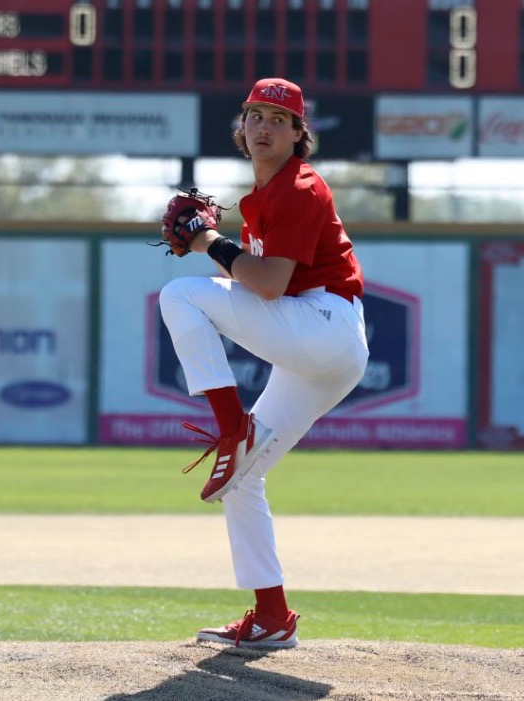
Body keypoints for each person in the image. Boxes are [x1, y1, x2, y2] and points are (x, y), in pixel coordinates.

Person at [157, 77, 369, 649]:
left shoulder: (298, 187)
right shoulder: (262, 198)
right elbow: (252, 282)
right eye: (256, 116)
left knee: (179, 295)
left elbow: (269, 286)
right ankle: (272, 616)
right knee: (243, 481)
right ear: (241, 127)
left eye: (280, 120)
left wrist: (206, 242)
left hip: (321, 324)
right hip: (320, 347)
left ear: (300, 135)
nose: (265, 128)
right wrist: (217, 243)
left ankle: (232, 428)